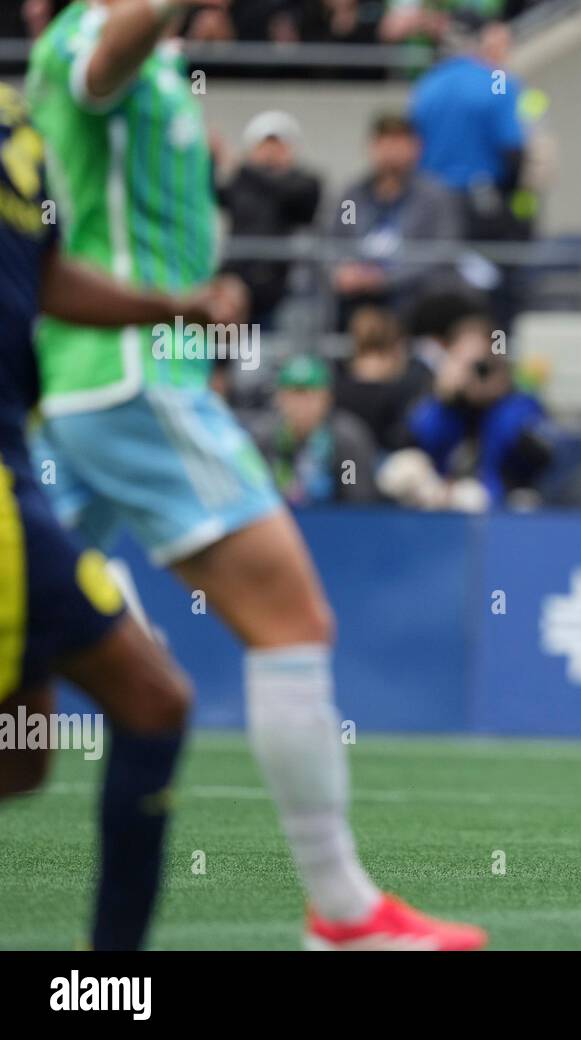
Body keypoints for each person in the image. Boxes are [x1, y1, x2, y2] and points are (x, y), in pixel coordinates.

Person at [27, 0, 484, 951]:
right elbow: (100, 63)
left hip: (91, 380)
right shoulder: (88, 32)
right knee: (293, 622)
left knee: (28, 711)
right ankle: (344, 912)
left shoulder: (158, 58)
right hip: (132, 382)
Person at [0, 79, 202, 952]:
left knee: (22, 755)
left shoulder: (16, 123)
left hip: (17, 462)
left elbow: (44, 278)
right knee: (153, 699)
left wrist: (172, 308)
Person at [407, 296, 549, 508]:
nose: (472, 376)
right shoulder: (441, 407)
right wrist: (445, 398)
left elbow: (528, 442)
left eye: (480, 367)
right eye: (462, 363)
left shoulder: (516, 405)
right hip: (442, 507)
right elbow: (420, 437)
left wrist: (499, 393)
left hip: (499, 508)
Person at [329, 112, 464, 328]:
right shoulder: (353, 195)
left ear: (415, 147)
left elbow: (442, 252)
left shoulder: (435, 197)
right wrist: (343, 271)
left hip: (414, 297)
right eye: (385, 142)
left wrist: (385, 278)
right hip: (356, 297)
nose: (391, 151)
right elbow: (335, 241)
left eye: (399, 142)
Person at [408, 16, 527, 239]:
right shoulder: (497, 81)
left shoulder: (427, 84)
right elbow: (513, 150)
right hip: (481, 202)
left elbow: (414, 143)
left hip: (433, 200)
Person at [217, 110, 322, 326]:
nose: (271, 152)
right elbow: (210, 193)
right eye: (265, 145)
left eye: (278, 145)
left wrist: (243, 166)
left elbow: (291, 196)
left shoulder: (306, 183)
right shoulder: (241, 185)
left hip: (284, 290)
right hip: (239, 287)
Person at [252, 357, 380, 507]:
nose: (301, 405)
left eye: (310, 394)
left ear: (327, 398)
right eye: (294, 394)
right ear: (279, 398)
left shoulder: (347, 441)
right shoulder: (262, 440)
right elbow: (254, 497)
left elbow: (357, 498)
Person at [333, 305, 430, 454]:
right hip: (357, 465)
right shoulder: (403, 392)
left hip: (352, 469)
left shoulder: (337, 387)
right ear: (397, 348)